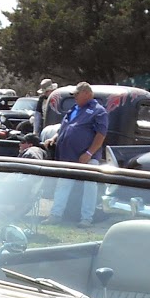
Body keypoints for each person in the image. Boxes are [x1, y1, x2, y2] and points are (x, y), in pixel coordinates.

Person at [50, 82, 109, 226]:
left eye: (77, 94)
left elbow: (101, 134)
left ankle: (86, 218)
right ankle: (55, 215)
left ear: (87, 93)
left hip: (87, 157)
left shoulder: (98, 111)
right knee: (63, 184)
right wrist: (55, 138)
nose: (75, 97)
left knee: (89, 187)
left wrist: (89, 153)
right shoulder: (74, 109)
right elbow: (65, 127)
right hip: (68, 155)